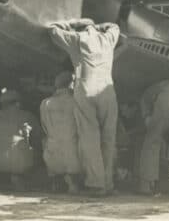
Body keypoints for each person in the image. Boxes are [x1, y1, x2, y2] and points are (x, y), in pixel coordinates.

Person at [49, 18, 121, 195]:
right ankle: (108, 183)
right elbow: (115, 27)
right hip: (107, 90)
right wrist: (98, 26)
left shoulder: (77, 39)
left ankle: (97, 184)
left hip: (86, 90)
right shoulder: (108, 39)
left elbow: (53, 30)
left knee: (90, 139)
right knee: (108, 138)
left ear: (80, 29)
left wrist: (70, 23)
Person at [0, 89, 40, 189]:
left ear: (2, 103)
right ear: (18, 103)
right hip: (23, 163)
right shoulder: (29, 116)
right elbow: (38, 138)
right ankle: (20, 177)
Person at [40, 71, 81, 193]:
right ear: (71, 85)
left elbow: (44, 127)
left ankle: (55, 181)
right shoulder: (77, 101)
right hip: (73, 151)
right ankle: (73, 182)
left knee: (46, 142)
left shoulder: (45, 103)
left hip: (52, 152)